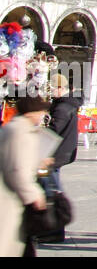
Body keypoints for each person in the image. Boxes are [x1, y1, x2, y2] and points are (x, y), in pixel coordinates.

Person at [0, 94, 53, 257]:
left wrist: (37, 162)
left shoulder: (12, 128)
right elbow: (18, 170)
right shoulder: (22, 133)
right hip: (11, 199)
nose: (43, 115)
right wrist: (35, 195)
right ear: (31, 113)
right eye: (41, 112)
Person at [36, 74, 79, 244]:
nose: (51, 91)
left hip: (53, 155)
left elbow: (54, 130)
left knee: (51, 190)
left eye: (52, 88)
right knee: (51, 188)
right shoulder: (66, 105)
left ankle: (54, 230)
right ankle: (52, 229)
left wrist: (39, 133)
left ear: (60, 88)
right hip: (58, 154)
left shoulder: (62, 108)